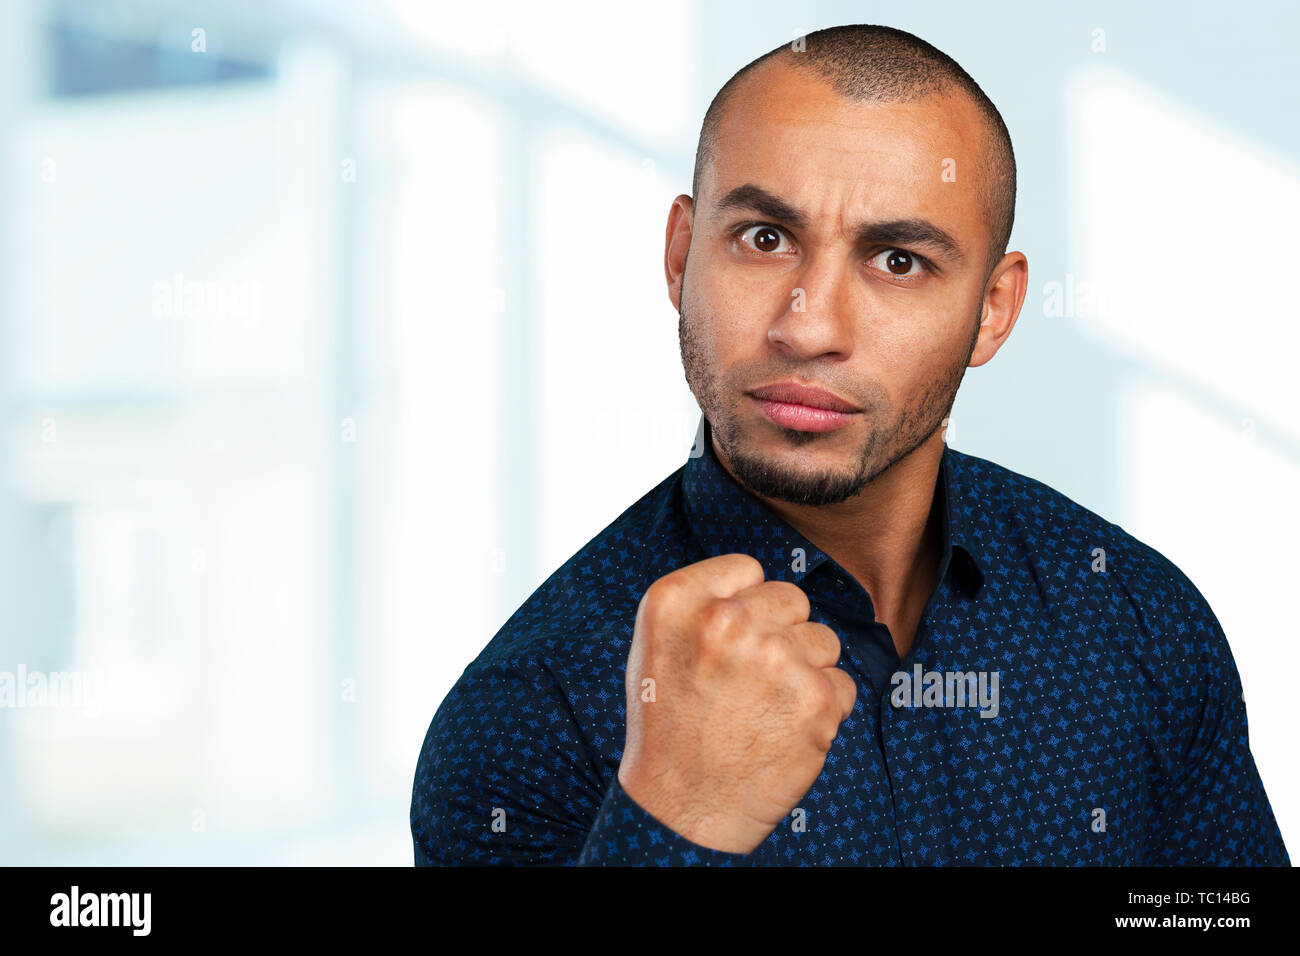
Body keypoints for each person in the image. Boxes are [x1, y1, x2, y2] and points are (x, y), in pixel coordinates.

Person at [410, 24, 1289, 865]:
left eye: (897, 260)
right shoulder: (525, 715)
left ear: (993, 309)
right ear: (680, 255)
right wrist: (677, 823)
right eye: (764, 239)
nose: (808, 328)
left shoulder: (1142, 617)